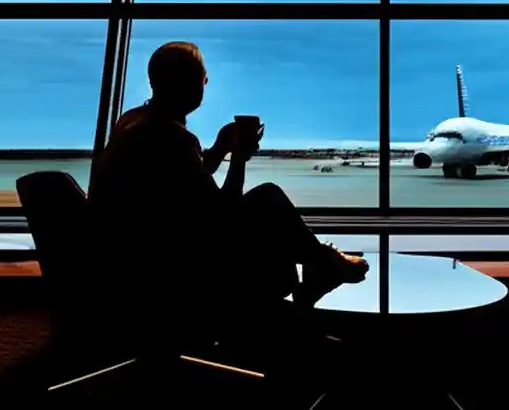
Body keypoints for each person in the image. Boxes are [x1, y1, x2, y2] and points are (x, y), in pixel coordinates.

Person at [87, 41, 369, 352]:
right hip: (166, 273)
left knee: (265, 213)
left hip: (130, 260)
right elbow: (221, 215)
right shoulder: (172, 137)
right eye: (201, 75)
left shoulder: (133, 122)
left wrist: (219, 150)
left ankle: (316, 263)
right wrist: (239, 158)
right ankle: (316, 273)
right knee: (267, 200)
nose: (205, 83)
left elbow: (184, 192)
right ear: (183, 83)